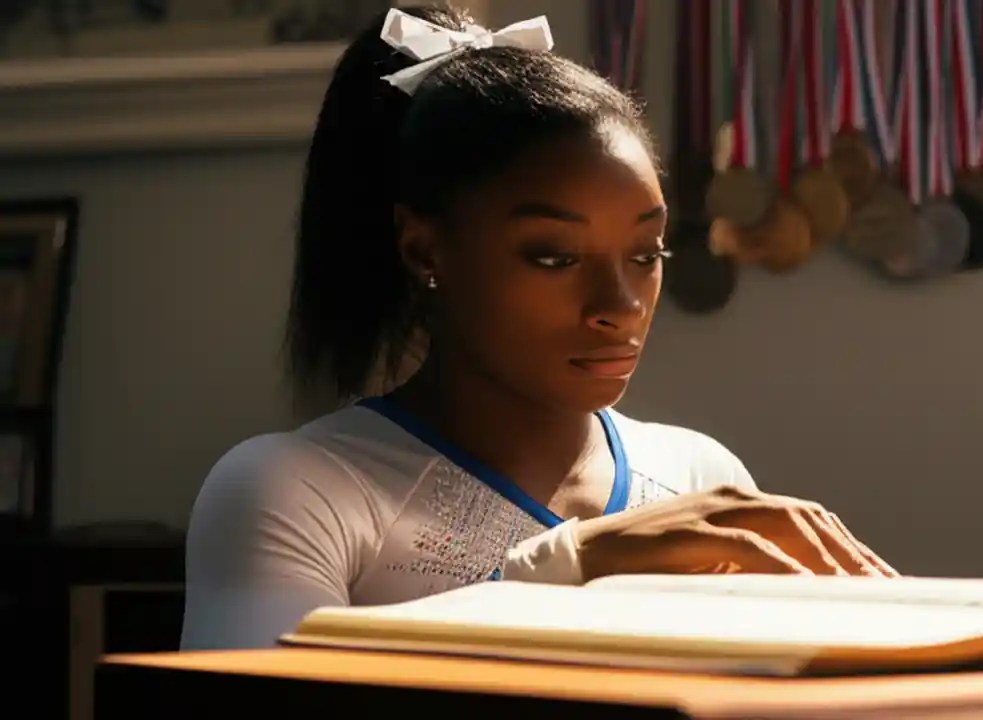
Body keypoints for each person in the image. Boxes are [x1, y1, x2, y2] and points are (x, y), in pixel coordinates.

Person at [179, 3, 896, 652]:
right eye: (555, 257)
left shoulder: (699, 479)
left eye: (646, 254)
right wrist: (570, 565)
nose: (620, 304)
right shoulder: (293, 490)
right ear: (424, 250)